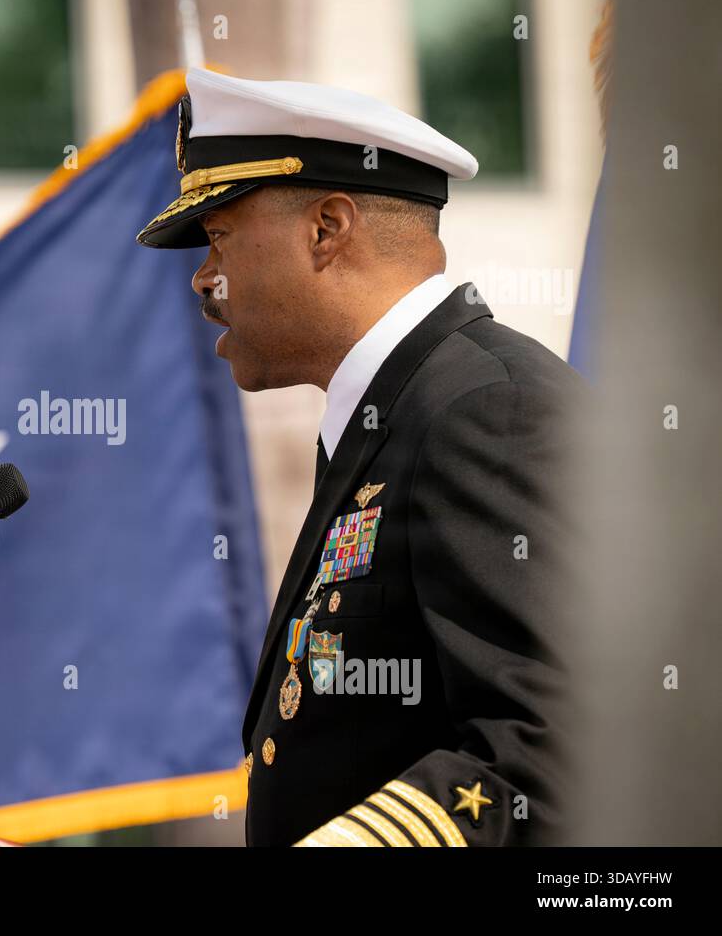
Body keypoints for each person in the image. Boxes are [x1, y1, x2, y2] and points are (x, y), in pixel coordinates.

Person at [138, 68, 582, 846]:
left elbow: (559, 748)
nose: (205, 280)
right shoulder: (399, 414)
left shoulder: (485, 409)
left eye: (218, 239)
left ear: (327, 228)